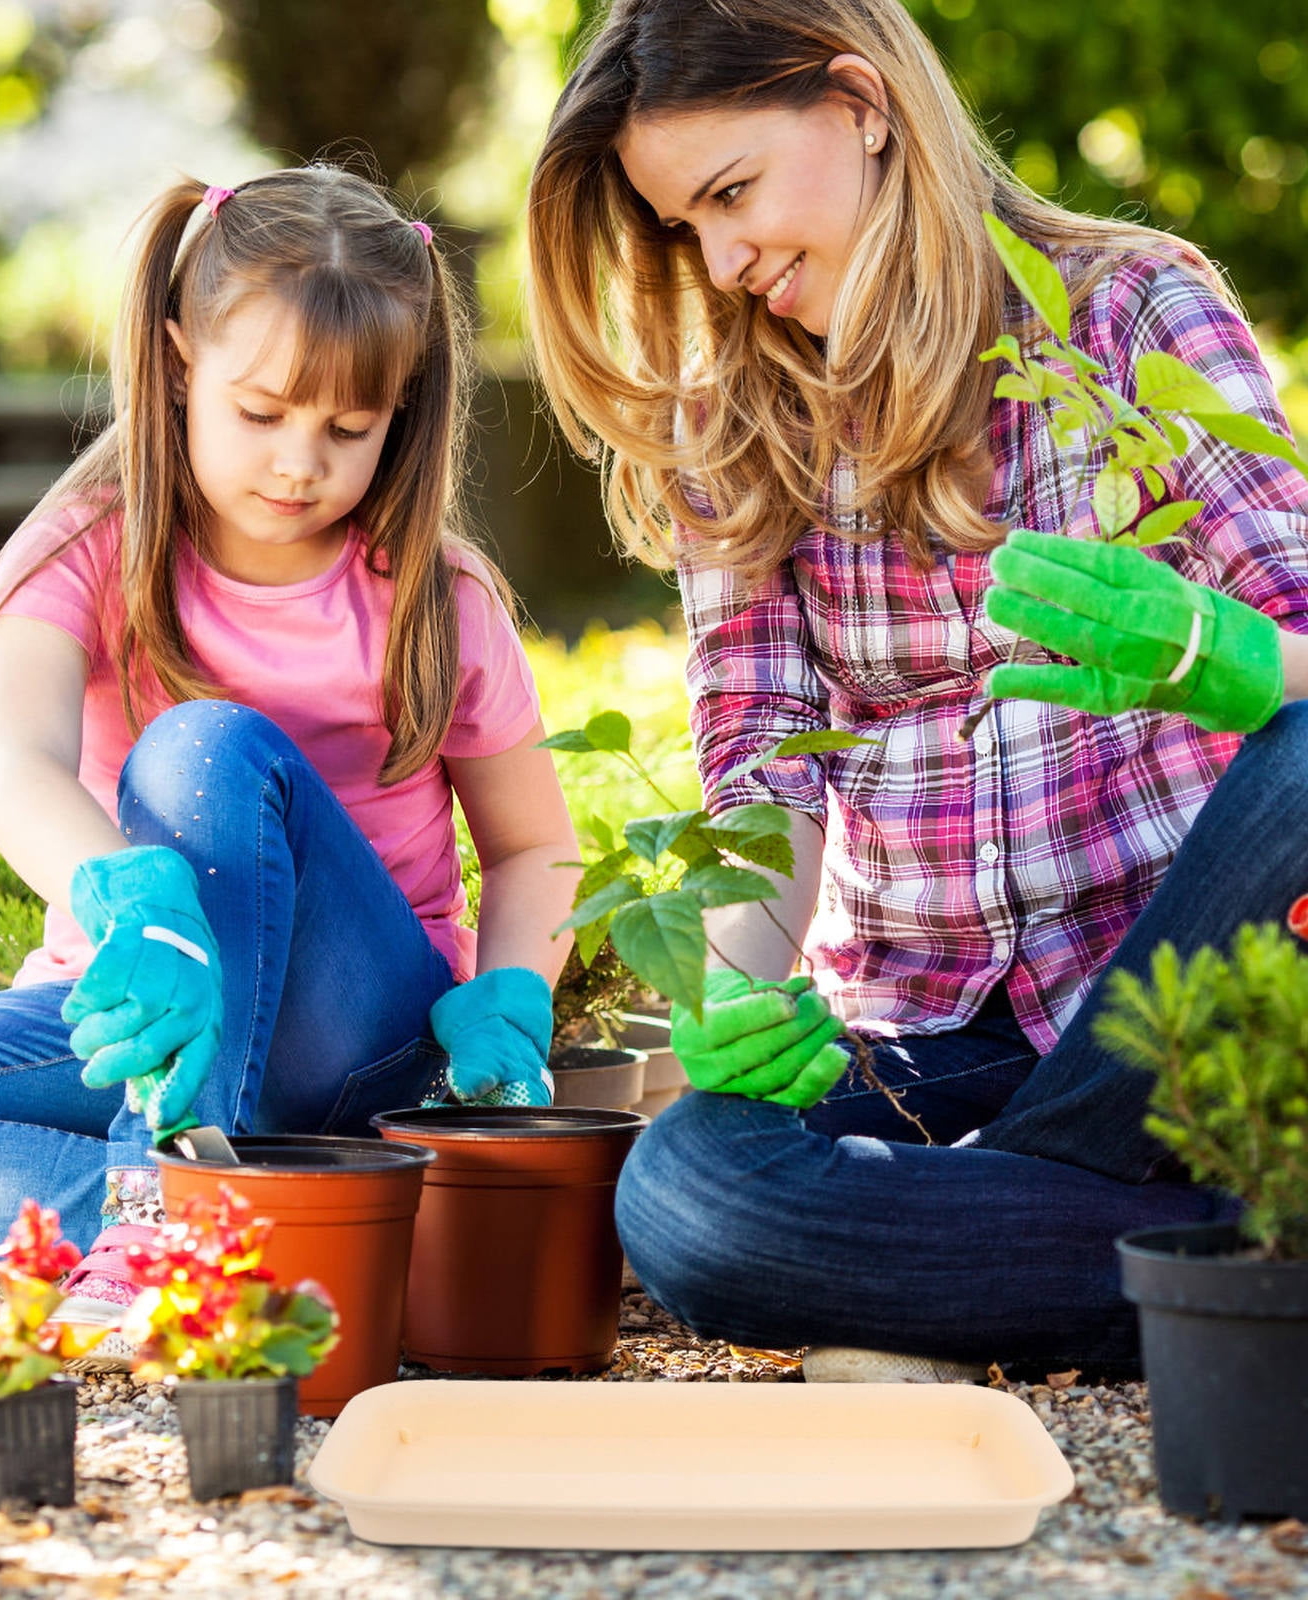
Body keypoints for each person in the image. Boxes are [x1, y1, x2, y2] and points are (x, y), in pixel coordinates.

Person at [526, 0, 1308, 1379]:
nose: (724, 258)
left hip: (1177, 1008)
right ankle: (1228, 1256)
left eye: (732, 193)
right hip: (928, 1028)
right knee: (686, 1190)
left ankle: (952, 1264)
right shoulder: (739, 429)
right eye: (683, 229)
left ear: (863, 103)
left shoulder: (1135, 308)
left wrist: (1224, 660)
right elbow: (763, 761)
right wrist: (730, 992)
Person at [0, 166, 578, 1350]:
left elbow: (534, 844)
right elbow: (14, 759)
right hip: (138, 1021)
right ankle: (207, 1224)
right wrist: (130, 899)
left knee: (202, 748)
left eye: (348, 428)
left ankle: (158, 1200)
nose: (299, 463)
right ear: (178, 362)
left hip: (356, 1042)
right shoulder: (84, 547)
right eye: (262, 411)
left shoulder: (435, 594)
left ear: (403, 408)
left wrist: (514, 992)